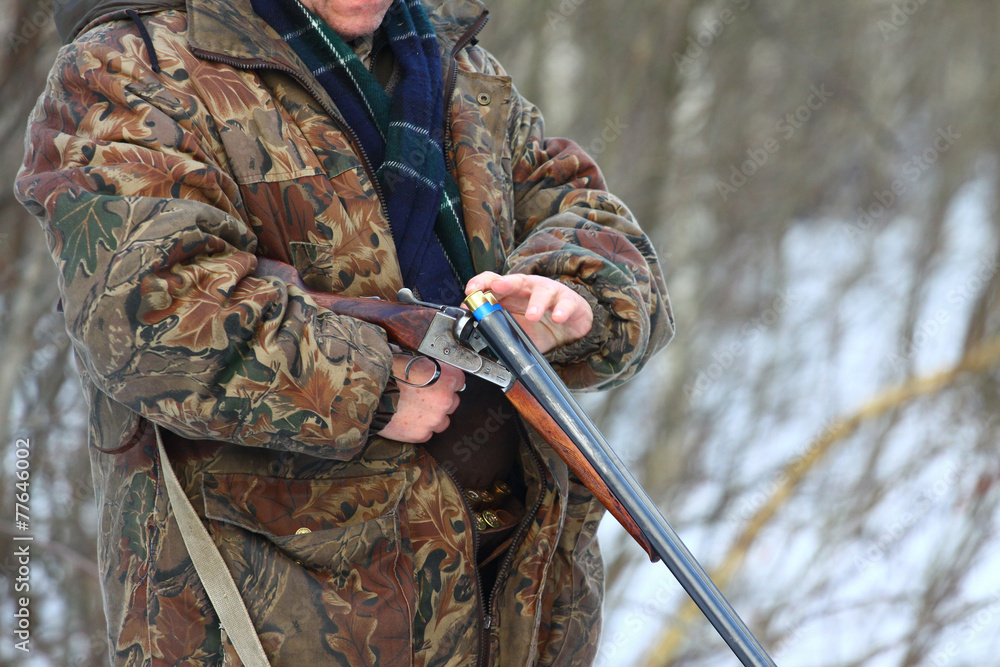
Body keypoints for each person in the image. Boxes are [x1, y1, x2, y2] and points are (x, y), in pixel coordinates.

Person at [16, 0, 673, 663]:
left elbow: (588, 214)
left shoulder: (456, 64)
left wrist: (570, 298)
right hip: (267, 629)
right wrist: (374, 382)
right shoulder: (129, 67)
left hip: (514, 611)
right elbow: (144, 311)